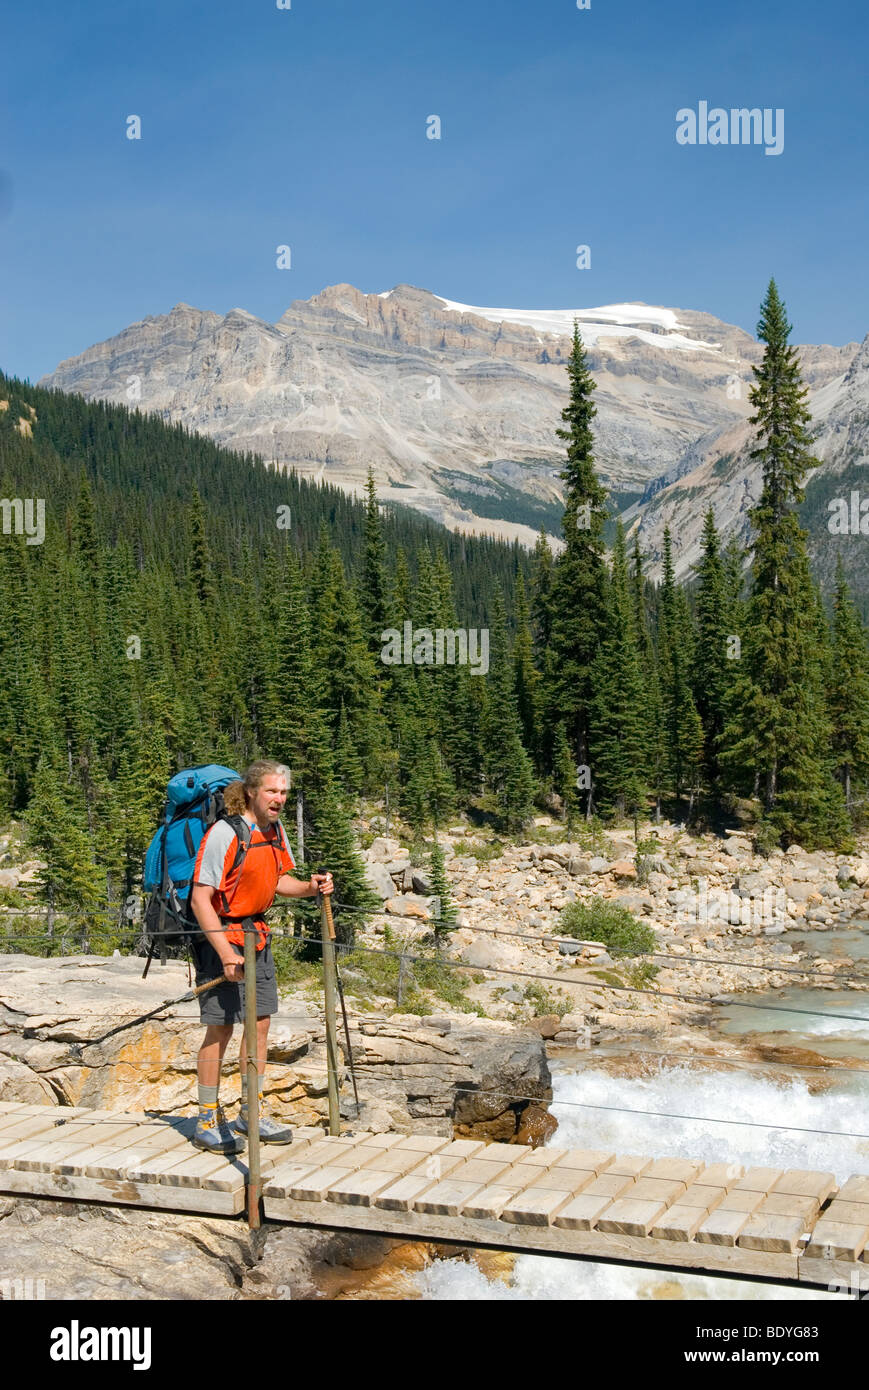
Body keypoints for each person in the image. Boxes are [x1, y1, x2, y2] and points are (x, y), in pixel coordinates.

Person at [189, 759, 333, 1154]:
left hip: (257, 936)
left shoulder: (274, 832)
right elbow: (200, 898)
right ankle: (206, 1116)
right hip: (220, 937)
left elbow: (277, 880)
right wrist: (224, 952)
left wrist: (309, 887)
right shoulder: (225, 832)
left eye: (284, 792)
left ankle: (250, 1111)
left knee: (261, 1024)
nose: (279, 799)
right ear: (251, 791)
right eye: (272, 791)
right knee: (220, 1028)